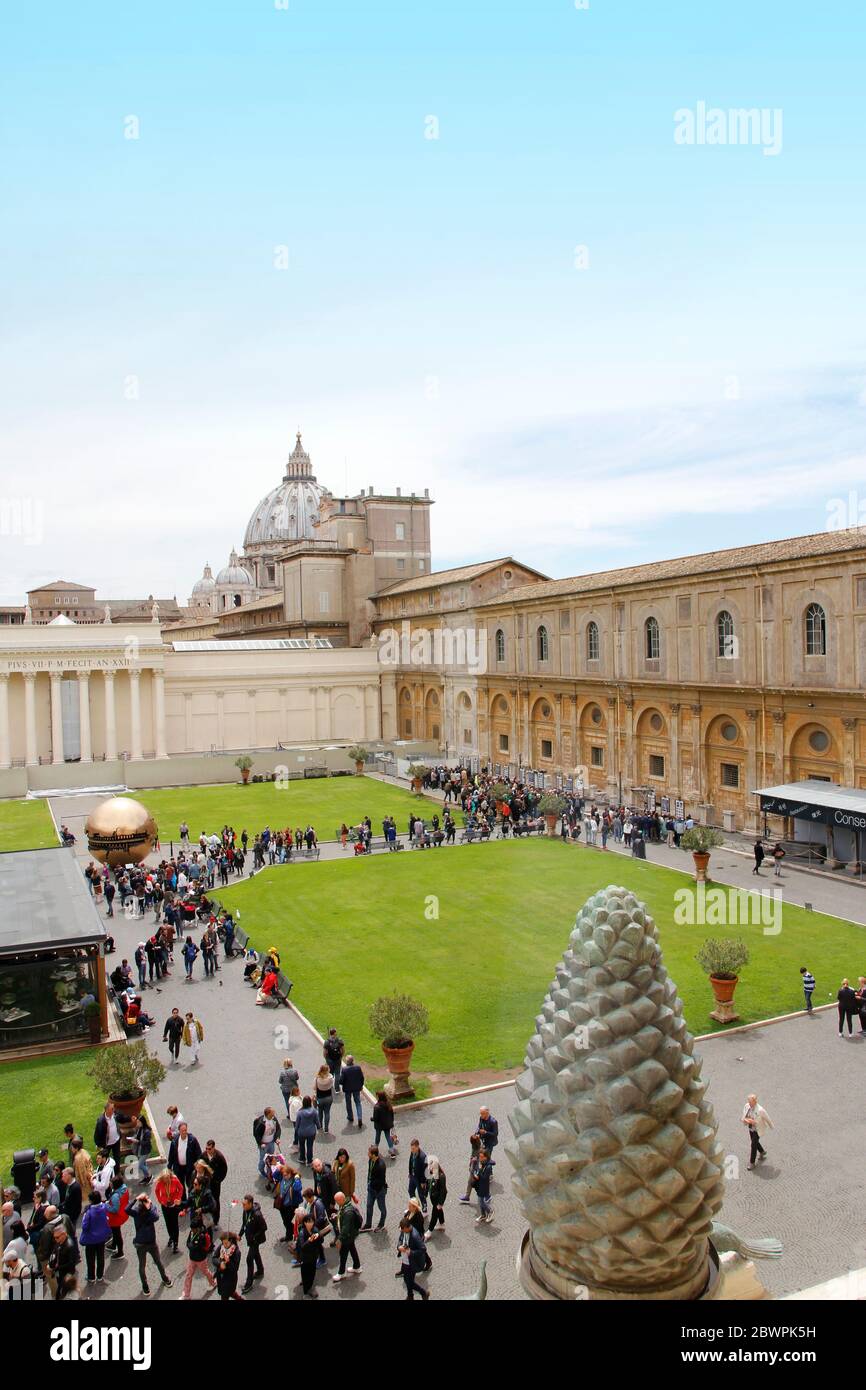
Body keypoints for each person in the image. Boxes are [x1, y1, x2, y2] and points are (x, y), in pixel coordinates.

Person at [128, 1193, 173, 1295]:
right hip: (151, 1242)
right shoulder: (150, 1213)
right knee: (158, 1262)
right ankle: (166, 1279)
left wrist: (135, 1198)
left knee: (142, 1266)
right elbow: (156, 1216)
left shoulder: (136, 1212)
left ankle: (145, 1287)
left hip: (140, 1243)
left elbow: (126, 1209)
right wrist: (150, 1207)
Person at [181, 1215, 216, 1299]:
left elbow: (195, 1247)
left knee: (206, 1272)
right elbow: (188, 1243)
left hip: (201, 1259)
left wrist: (191, 1245)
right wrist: (191, 1245)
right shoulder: (192, 1232)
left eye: (193, 1229)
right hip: (192, 1258)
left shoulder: (202, 1236)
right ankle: (186, 1294)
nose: (191, 1230)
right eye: (191, 1229)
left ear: (198, 1228)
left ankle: (213, 1283)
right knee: (188, 1275)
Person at [80, 1190, 110, 1284]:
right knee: (101, 1257)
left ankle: (91, 1276)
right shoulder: (105, 1207)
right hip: (101, 1238)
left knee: (90, 1259)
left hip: (91, 1240)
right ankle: (100, 1276)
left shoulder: (89, 1212)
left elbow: (84, 1226)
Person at [331, 1191, 363, 1281]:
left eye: (337, 1201)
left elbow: (345, 1228)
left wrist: (339, 1239)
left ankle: (341, 1273)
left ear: (341, 1200)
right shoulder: (345, 1206)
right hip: (351, 1234)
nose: (336, 1203)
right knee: (352, 1249)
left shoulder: (348, 1212)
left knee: (343, 1254)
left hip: (347, 1236)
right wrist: (337, 1216)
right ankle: (357, 1267)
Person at [397, 1217, 429, 1300]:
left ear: (408, 1227)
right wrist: (399, 1246)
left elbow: (423, 1249)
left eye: (403, 1230)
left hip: (412, 1263)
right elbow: (400, 1239)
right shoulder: (404, 1230)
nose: (402, 1231)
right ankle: (410, 1295)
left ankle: (424, 1293)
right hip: (405, 1261)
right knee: (406, 1279)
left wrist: (411, 1252)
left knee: (409, 1281)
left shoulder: (415, 1236)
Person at [240, 1194, 267, 1293]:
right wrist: (240, 1234)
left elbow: (264, 1227)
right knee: (256, 1254)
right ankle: (260, 1270)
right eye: (242, 1204)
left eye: (245, 1204)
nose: (243, 1206)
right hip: (250, 1239)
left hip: (255, 1240)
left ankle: (249, 1283)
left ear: (250, 1204)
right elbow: (244, 1224)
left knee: (249, 1259)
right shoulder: (245, 1211)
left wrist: (254, 1237)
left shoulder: (257, 1215)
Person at [154, 1167, 184, 1254]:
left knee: (174, 1224)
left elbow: (181, 1188)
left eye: (167, 1178)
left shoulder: (174, 1180)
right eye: (164, 1179)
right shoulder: (160, 1182)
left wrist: (177, 1198)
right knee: (168, 1223)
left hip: (174, 1205)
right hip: (165, 1206)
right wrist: (161, 1201)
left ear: (170, 1176)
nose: (166, 1180)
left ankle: (175, 1243)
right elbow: (156, 1191)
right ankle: (171, 1236)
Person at [168, 1122, 202, 1195]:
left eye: (185, 1130)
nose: (184, 1132)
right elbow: (171, 1155)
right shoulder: (175, 1140)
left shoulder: (192, 1140)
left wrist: (197, 1164)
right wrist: (169, 1167)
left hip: (190, 1168)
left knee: (191, 1186)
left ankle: (191, 1201)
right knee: (180, 1187)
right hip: (178, 1168)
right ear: (179, 1131)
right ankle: (183, 1202)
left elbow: (199, 1154)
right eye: (182, 1130)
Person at [742, 1093, 774, 1169]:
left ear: (755, 1101)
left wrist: (771, 1126)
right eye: (748, 1101)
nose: (749, 1103)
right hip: (751, 1128)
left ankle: (752, 1163)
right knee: (755, 1142)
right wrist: (745, 1120)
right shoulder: (747, 1106)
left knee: (753, 1145)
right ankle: (762, 1152)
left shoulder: (760, 1110)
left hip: (758, 1129)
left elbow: (767, 1118)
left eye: (750, 1102)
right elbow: (744, 1114)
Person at [296, 1213, 323, 1299]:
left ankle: (310, 1287)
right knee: (305, 1274)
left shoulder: (315, 1229)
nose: (310, 1223)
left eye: (312, 1221)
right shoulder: (302, 1233)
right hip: (305, 1257)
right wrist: (309, 1240)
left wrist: (318, 1236)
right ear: (304, 1223)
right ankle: (306, 1291)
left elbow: (321, 1241)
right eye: (308, 1222)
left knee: (312, 1273)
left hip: (313, 1256)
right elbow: (303, 1247)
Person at [361, 1145, 387, 1231]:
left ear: (374, 1155)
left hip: (379, 1191)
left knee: (382, 1208)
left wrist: (372, 1184)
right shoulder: (371, 1160)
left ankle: (381, 1224)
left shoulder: (381, 1165)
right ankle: (368, 1224)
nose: (367, 1154)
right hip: (371, 1188)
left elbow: (381, 1181)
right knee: (369, 1205)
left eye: (369, 1153)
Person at [202, 1140, 228, 1225]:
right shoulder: (204, 1155)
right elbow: (198, 1164)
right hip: (206, 1183)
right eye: (206, 1148)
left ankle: (216, 1219)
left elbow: (224, 1170)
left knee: (215, 1200)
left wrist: (218, 1180)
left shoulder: (219, 1157)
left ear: (213, 1148)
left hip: (215, 1183)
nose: (207, 1150)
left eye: (209, 1149)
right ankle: (208, 1214)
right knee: (206, 1198)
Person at [253, 1107, 281, 1180]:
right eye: (272, 1113)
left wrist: (277, 1138)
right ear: (268, 1114)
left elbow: (278, 1129)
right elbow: (256, 1134)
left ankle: (270, 1171)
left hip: (271, 1142)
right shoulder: (261, 1122)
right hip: (264, 1145)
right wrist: (260, 1143)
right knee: (263, 1159)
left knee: (271, 1158)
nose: (274, 1114)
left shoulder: (274, 1119)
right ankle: (262, 1171)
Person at [106, 1174, 130, 1257]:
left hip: (116, 1218)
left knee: (117, 1234)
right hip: (123, 1214)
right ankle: (113, 1245)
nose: (110, 1184)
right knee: (116, 1232)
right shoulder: (124, 1188)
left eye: (111, 1183)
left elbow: (114, 1209)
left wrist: (106, 1205)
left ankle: (120, 1252)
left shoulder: (115, 1196)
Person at [215, 1231, 243, 1301]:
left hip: (230, 1280)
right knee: (230, 1293)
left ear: (231, 1241)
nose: (224, 1245)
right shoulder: (222, 1247)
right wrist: (220, 1263)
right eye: (223, 1243)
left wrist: (229, 1262)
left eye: (226, 1243)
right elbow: (214, 1258)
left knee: (225, 1296)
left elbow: (235, 1269)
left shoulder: (236, 1252)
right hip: (221, 1278)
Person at [341, 1054, 365, 1127]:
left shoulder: (344, 1070)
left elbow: (341, 1081)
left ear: (347, 1062)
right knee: (358, 1102)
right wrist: (361, 1085)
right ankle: (360, 1118)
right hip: (356, 1088)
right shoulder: (358, 1068)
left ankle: (350, 1117)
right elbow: (362, 1078)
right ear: (353, 1061)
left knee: (348, 1103)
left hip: (347, 1089)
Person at [472, 1149, 495, 1224]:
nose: (480, 1158)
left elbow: (485, 1177)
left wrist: (478, 1175)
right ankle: (483, 1215)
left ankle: (490, 1211)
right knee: (480, 1201)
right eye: (480, 1156)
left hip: (484, 1187)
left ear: (485, 1157)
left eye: (481, 1157)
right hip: (480, 1186)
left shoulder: (488, 1167)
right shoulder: (482, 1163)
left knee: (481, 1202)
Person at [426, 1157, 447, 1238]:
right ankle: (442, 1223)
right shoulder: (432, 1174)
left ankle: (429, 1231)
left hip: (438, 1199)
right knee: (439, 1210)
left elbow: (444, 1191)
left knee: (434, 1214)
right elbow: (429, 1183)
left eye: (431, 1167)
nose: (429, 1169)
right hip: (433, 1197)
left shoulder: (441, 1177)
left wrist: (440, 1203)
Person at [372, 1091, 397, 1157]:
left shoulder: (376, 1107)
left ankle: (375, 1149)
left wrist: (372, 1119)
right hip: (387, 1125)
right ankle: (392, 1151)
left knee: (378, 1136)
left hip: (379, 1125)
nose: (376, 1097)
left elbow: (376, 1118)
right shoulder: (388, 1104)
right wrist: (391, 1122)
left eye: (377, 1096)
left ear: (379, 1097)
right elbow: (392, 1114)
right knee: (388, 1137)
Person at [407, 1139, 429, 1214]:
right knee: (410, 1191)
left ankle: (424, 1207)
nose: (411, 1150)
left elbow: (425, 1171)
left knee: (421, 1194)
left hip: (419, 1179)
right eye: (411, 1148)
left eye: (413, 1148)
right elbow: (410, 1162)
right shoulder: (412, 1153)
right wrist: (410, 1173)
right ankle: (415, 1205)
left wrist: (423, 1182)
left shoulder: (423, 1157)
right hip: (413, 1176)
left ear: (417, 1147)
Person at [296, 1096, 318, 1166]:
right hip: (311, 1132)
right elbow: (317, 1121)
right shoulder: (314, 1111)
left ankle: (302, 1158)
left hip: (301, 1132)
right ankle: (309, 1161)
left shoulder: (300, 1112)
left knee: (302, 1146)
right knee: (310, 1146)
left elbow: (297, 1123)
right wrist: (318, 1127)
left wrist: (296, 1130)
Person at [131, 1113, 153, 1184]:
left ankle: (149, 1175)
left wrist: (137, 1141)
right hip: (141, 1150)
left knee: (140, 1165)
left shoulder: (147, 1132)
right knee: (143, 1164)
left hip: (145, 1151)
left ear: (142, 1122)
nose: (137, 1123)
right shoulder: (140, 1128)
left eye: (138, 1122)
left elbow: (146, 1143)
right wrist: (134, 1138)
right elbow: (137, 1135)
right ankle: (146, 1177)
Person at [314, 1064, 334, 1133]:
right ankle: (326, 1129)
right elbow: (332, 1085)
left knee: (320, 1112)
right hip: (328, 1097)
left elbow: (314, 1088)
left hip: (320, 1098)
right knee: (327, 1113)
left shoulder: (317, 1078)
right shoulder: (330, 1078)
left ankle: (320, 1126)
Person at [323, 1027, 345, 1092]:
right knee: (337, 1074)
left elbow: (324, 1053)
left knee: (330, 1073)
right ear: (334, 1033)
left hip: (329, 1060)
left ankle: (330, 1086)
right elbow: (343, 1050)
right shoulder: (339, 1040)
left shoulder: (327, 1041)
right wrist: (341, 1057)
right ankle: (337, 1089)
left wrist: (326, 1059)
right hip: (338, 1060)